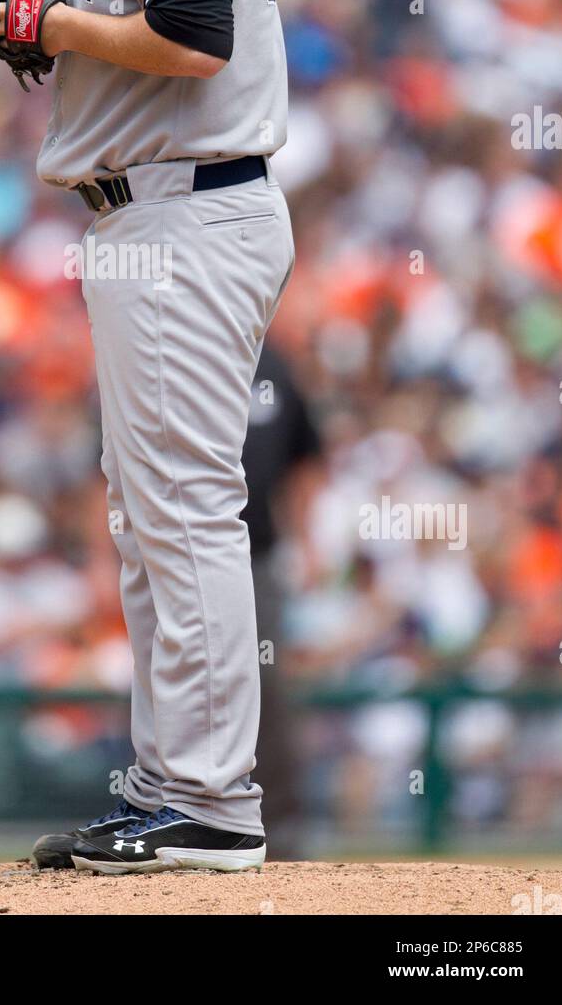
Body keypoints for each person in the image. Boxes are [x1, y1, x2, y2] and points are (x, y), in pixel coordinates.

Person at [0, 0, 294, 874]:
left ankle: (205, 799)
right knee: (154, 511)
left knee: (183, 509)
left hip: (182, 213)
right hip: (170, 209)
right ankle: (178, 786)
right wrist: (68, 44)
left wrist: (49, 26)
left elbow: (193, 39)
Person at [243, 341, 323, 857]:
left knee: (266, 687)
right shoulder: (171, 344)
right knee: (163, 680)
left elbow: (305, 457)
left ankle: (279, 830)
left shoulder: (273, 365)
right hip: (170, 553)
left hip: (255, 553)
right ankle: (162, 810)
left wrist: (306, 537)